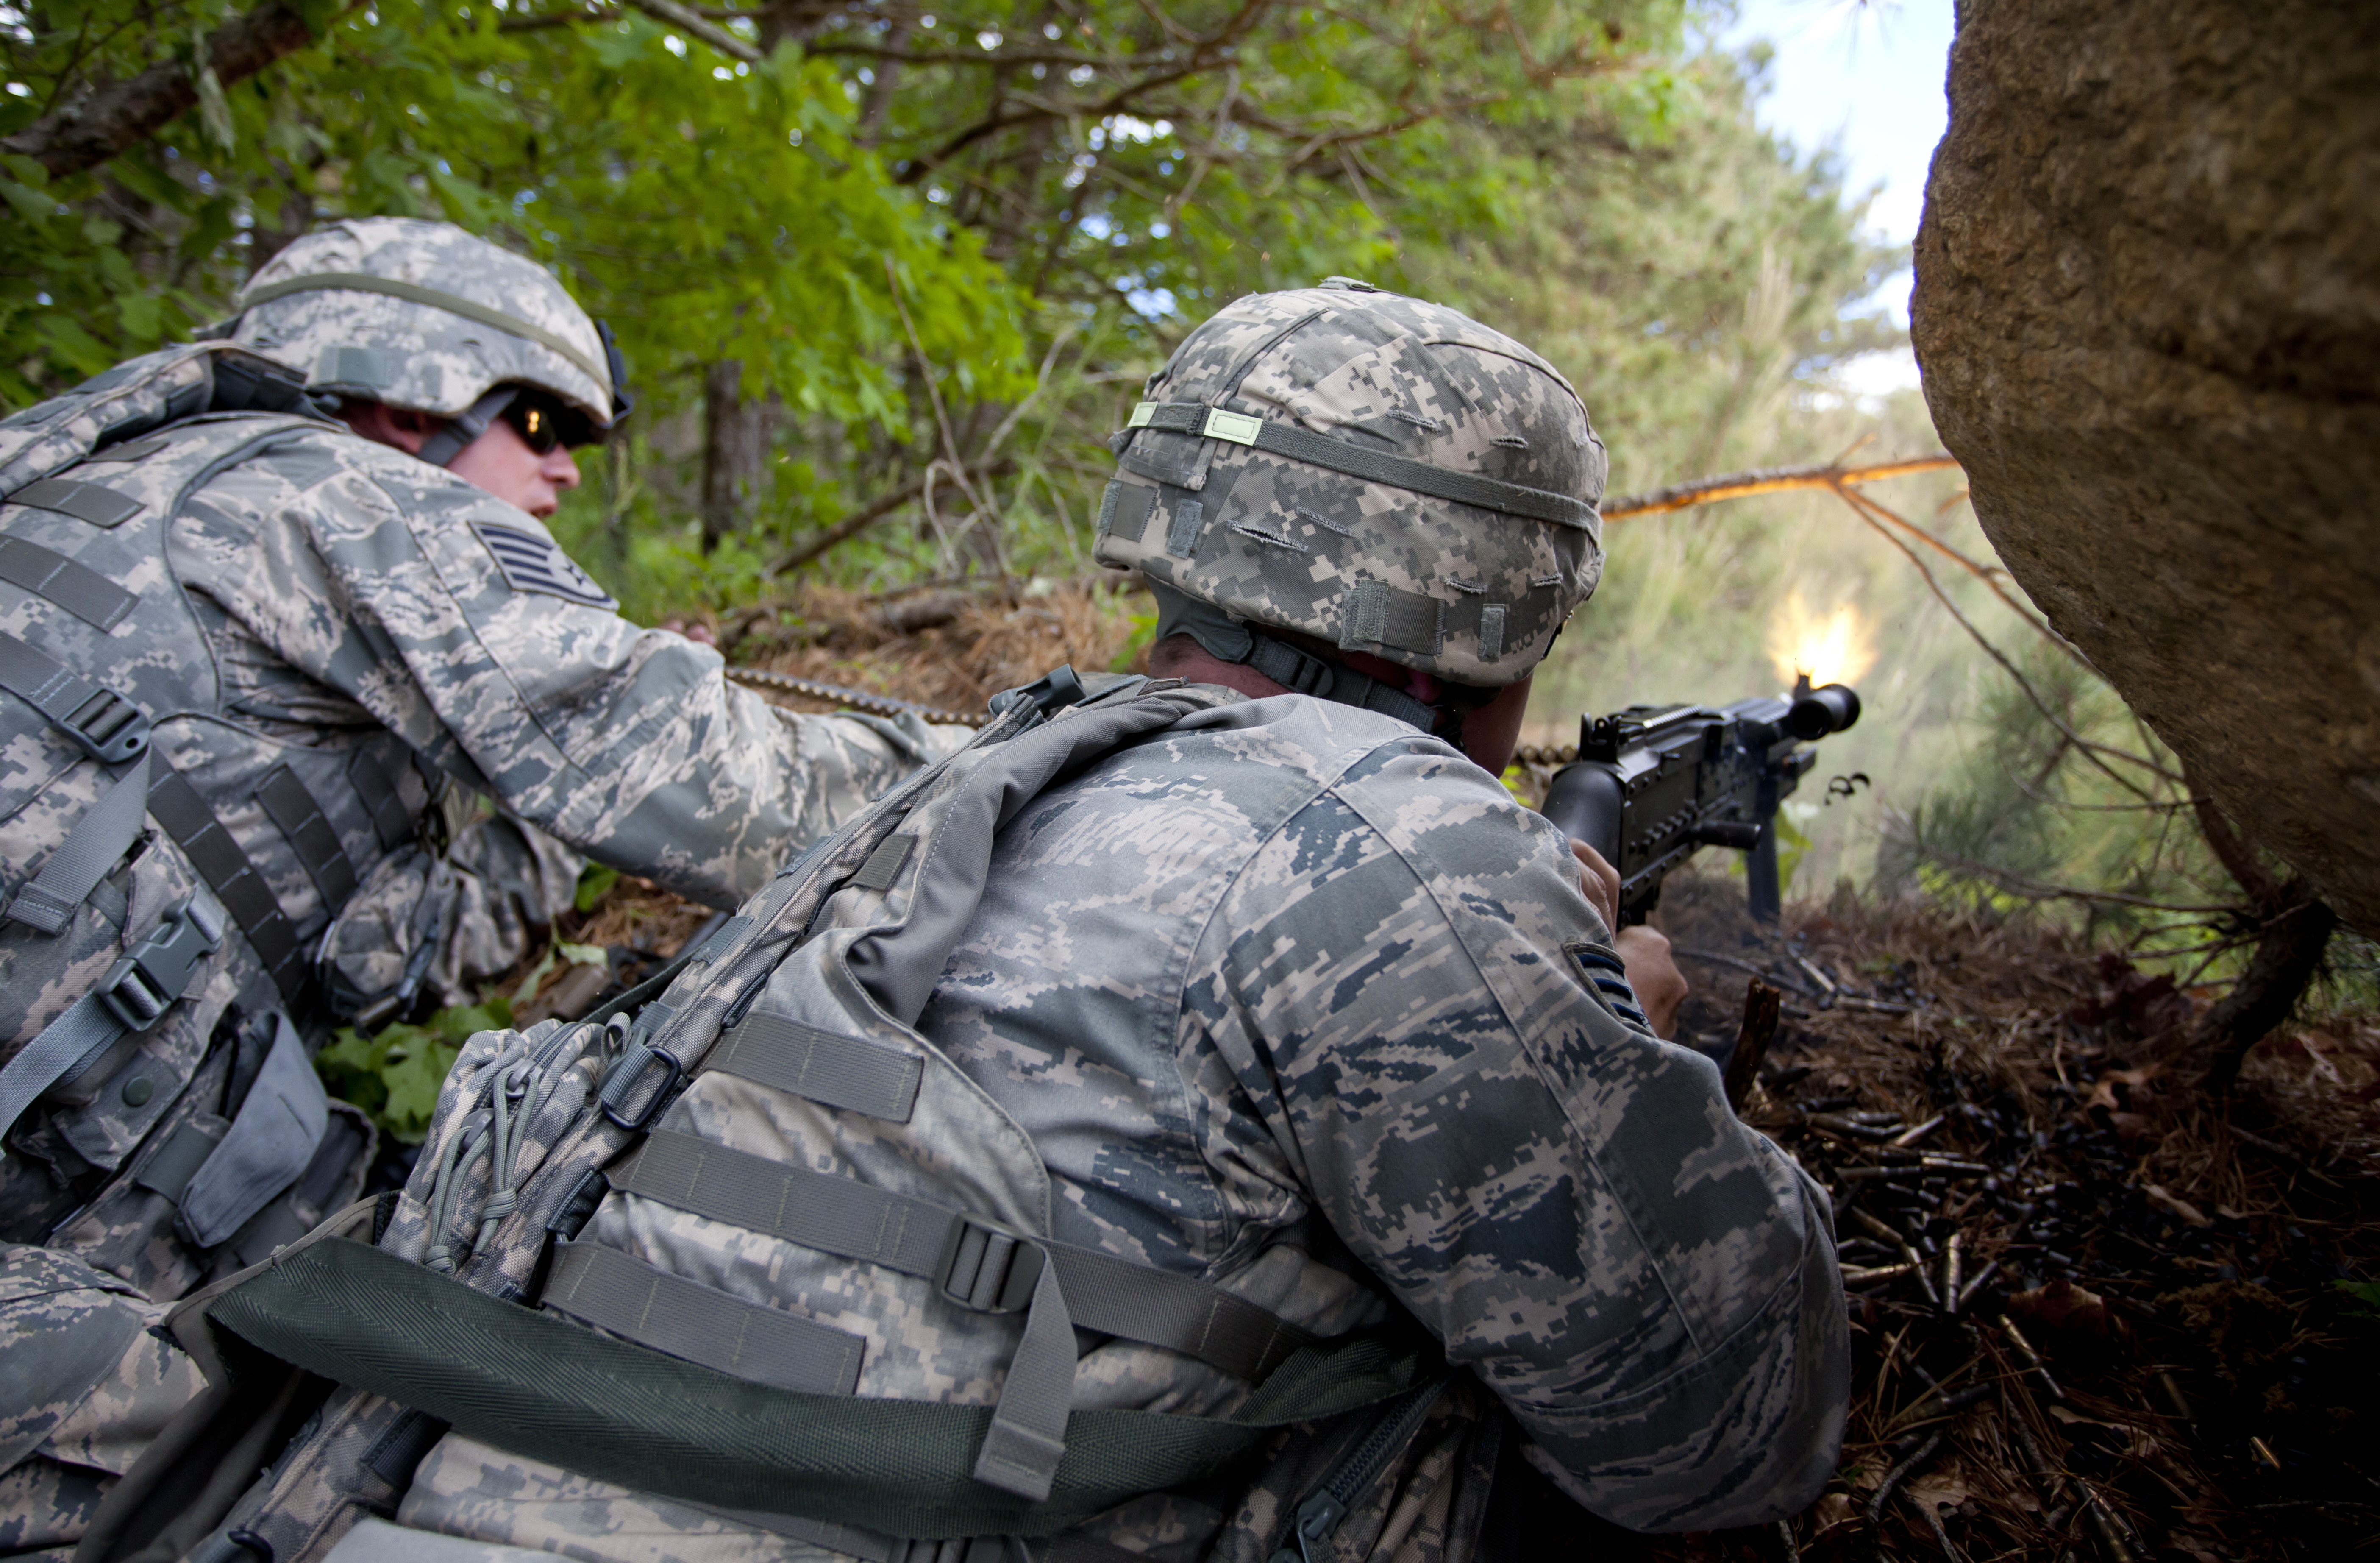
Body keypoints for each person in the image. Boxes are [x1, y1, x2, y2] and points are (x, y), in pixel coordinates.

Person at [233, 280, 1846, 1563]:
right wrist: (1617, 1019)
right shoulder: (1402, 861)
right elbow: (1719, 1433)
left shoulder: (940, 787)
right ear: (1504, 601)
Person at [0, 217, 959, 1553]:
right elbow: (745, 793)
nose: (563, 469)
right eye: (537, 417)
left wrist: (549, 826)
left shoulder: (105, 503)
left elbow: (365, 962)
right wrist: (1022, 756)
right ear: (410, 395)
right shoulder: (342, 494)